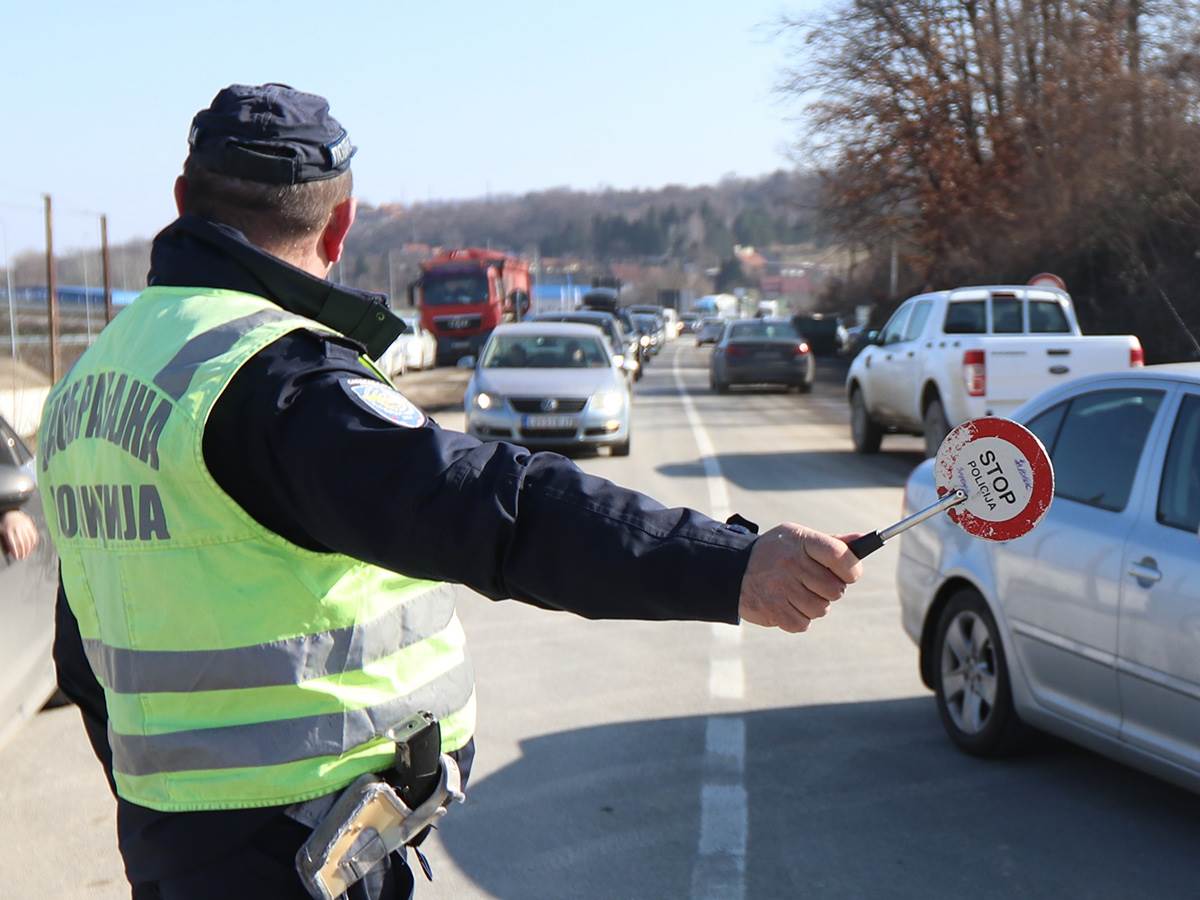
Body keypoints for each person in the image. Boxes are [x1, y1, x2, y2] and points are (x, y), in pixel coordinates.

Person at [45, 84, 862, 900]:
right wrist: (730, 565)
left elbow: (84, 646)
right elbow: (501, 511)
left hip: (170, 839)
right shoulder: (276, 381)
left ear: (184, 202)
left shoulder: (91, 381)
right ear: (341, 225)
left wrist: (163, 814)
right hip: (293, 849)